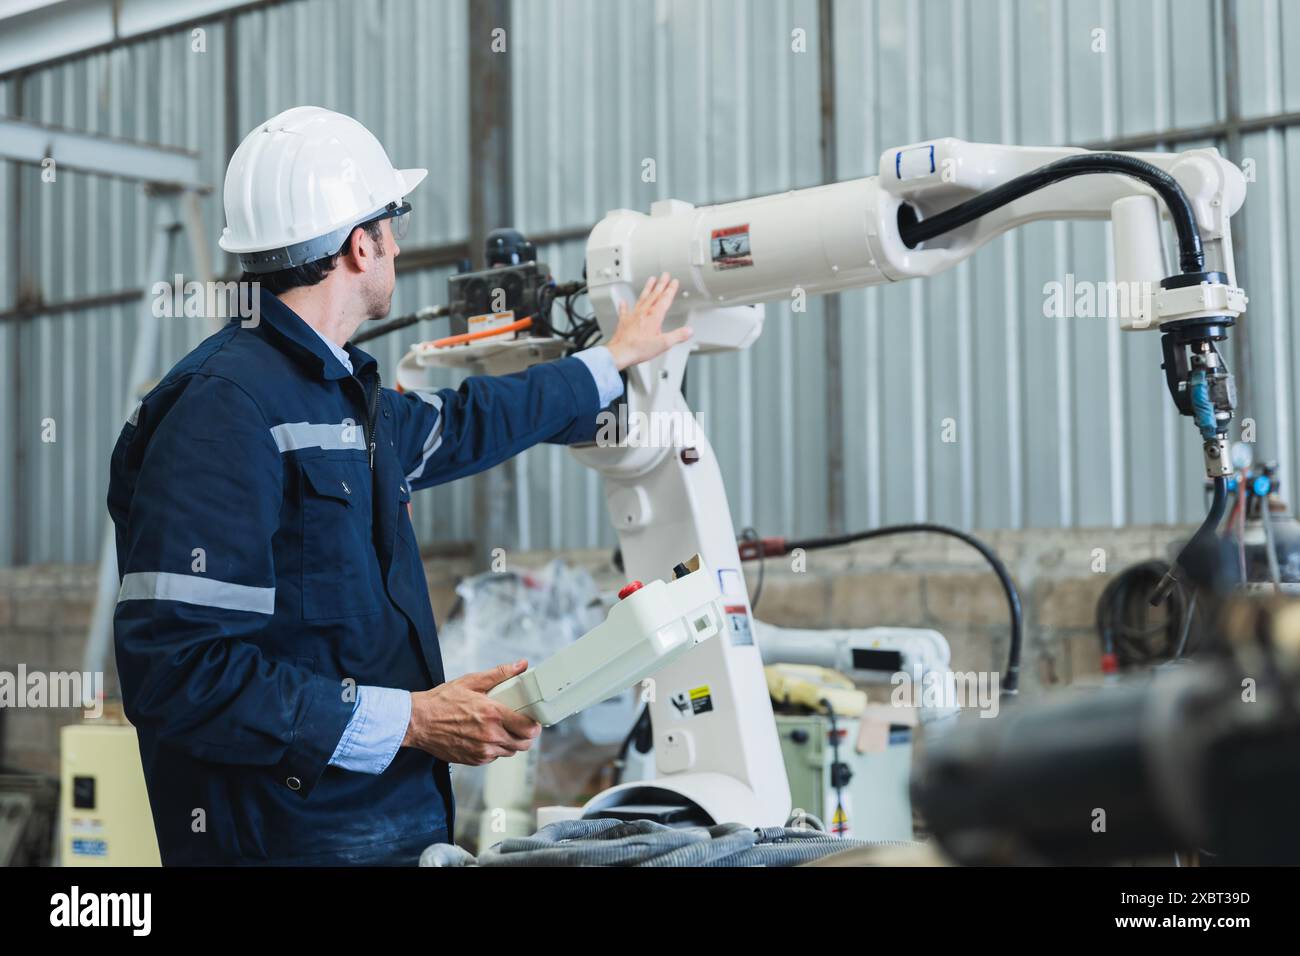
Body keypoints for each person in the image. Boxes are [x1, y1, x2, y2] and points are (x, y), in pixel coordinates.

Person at [107, 106, 689, 865]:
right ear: (360, 244)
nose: (401, 243)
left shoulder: (341, 394)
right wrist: (412, 720)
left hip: (385, 824)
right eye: (394, 222)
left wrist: (608, 362)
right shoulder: (222, 413)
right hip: (287, 843)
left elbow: (474, 419)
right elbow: (180, 674)